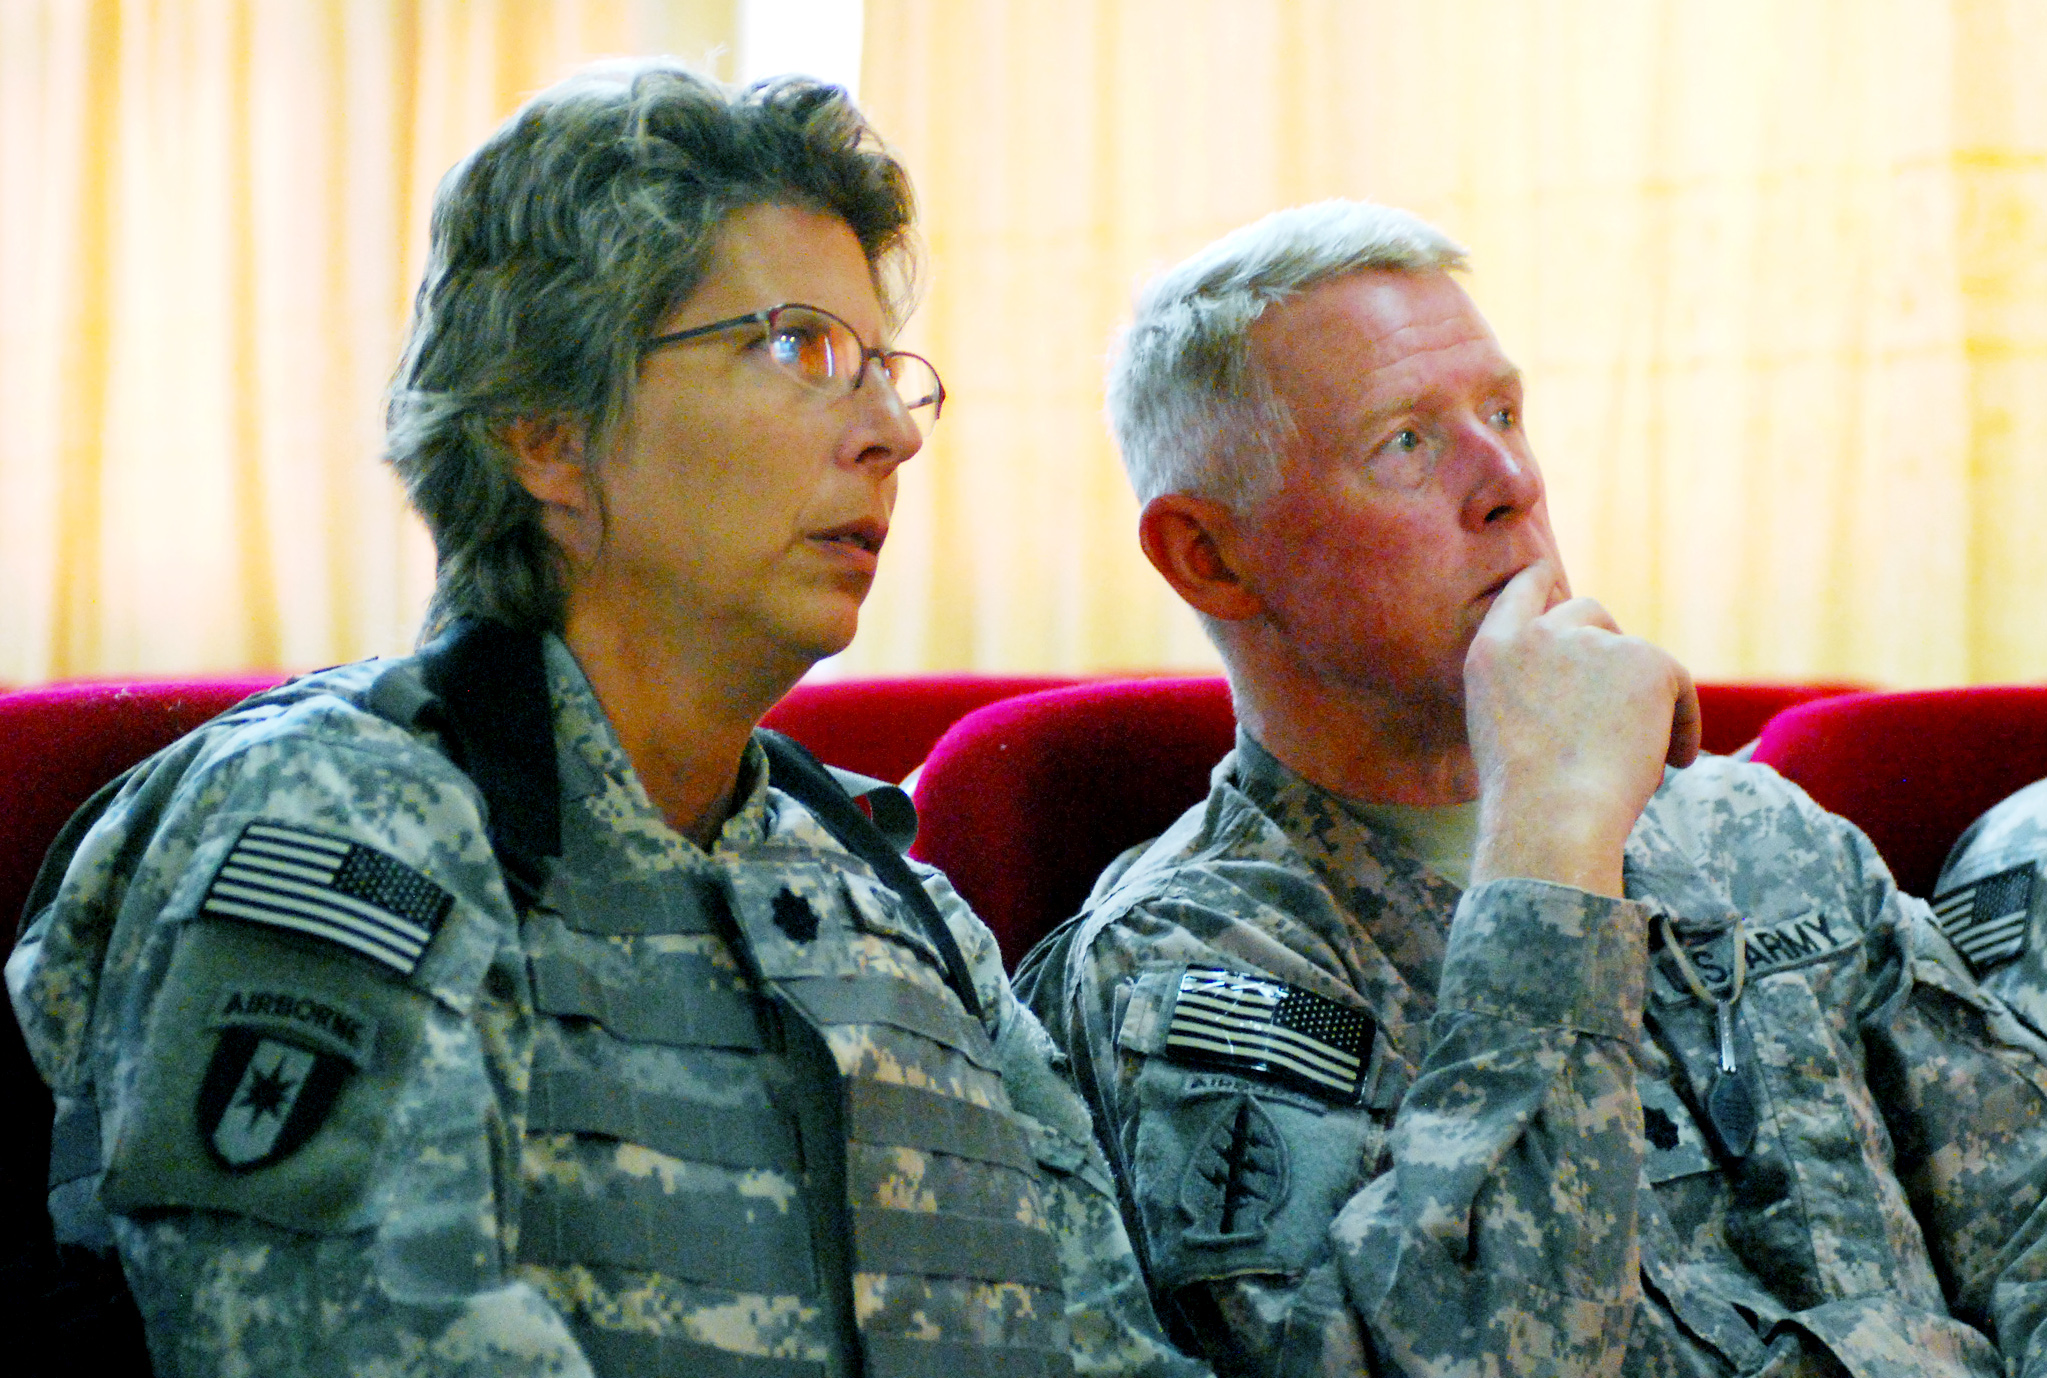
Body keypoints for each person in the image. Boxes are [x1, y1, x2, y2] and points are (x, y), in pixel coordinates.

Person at [6, 62, 1202, 1378]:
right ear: (548, 432)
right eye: (800, 347)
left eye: (887, 372)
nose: (887, 434)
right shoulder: (338, 821)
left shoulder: (894, 904)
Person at [1015, 200, 2047, 1377]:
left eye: (1503, 413)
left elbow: (2024, 1222)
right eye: (1405, 441)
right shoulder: (1183, 970)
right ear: (1210, 554)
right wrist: (1553, 840)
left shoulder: (1753, 832)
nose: (1511, 479)